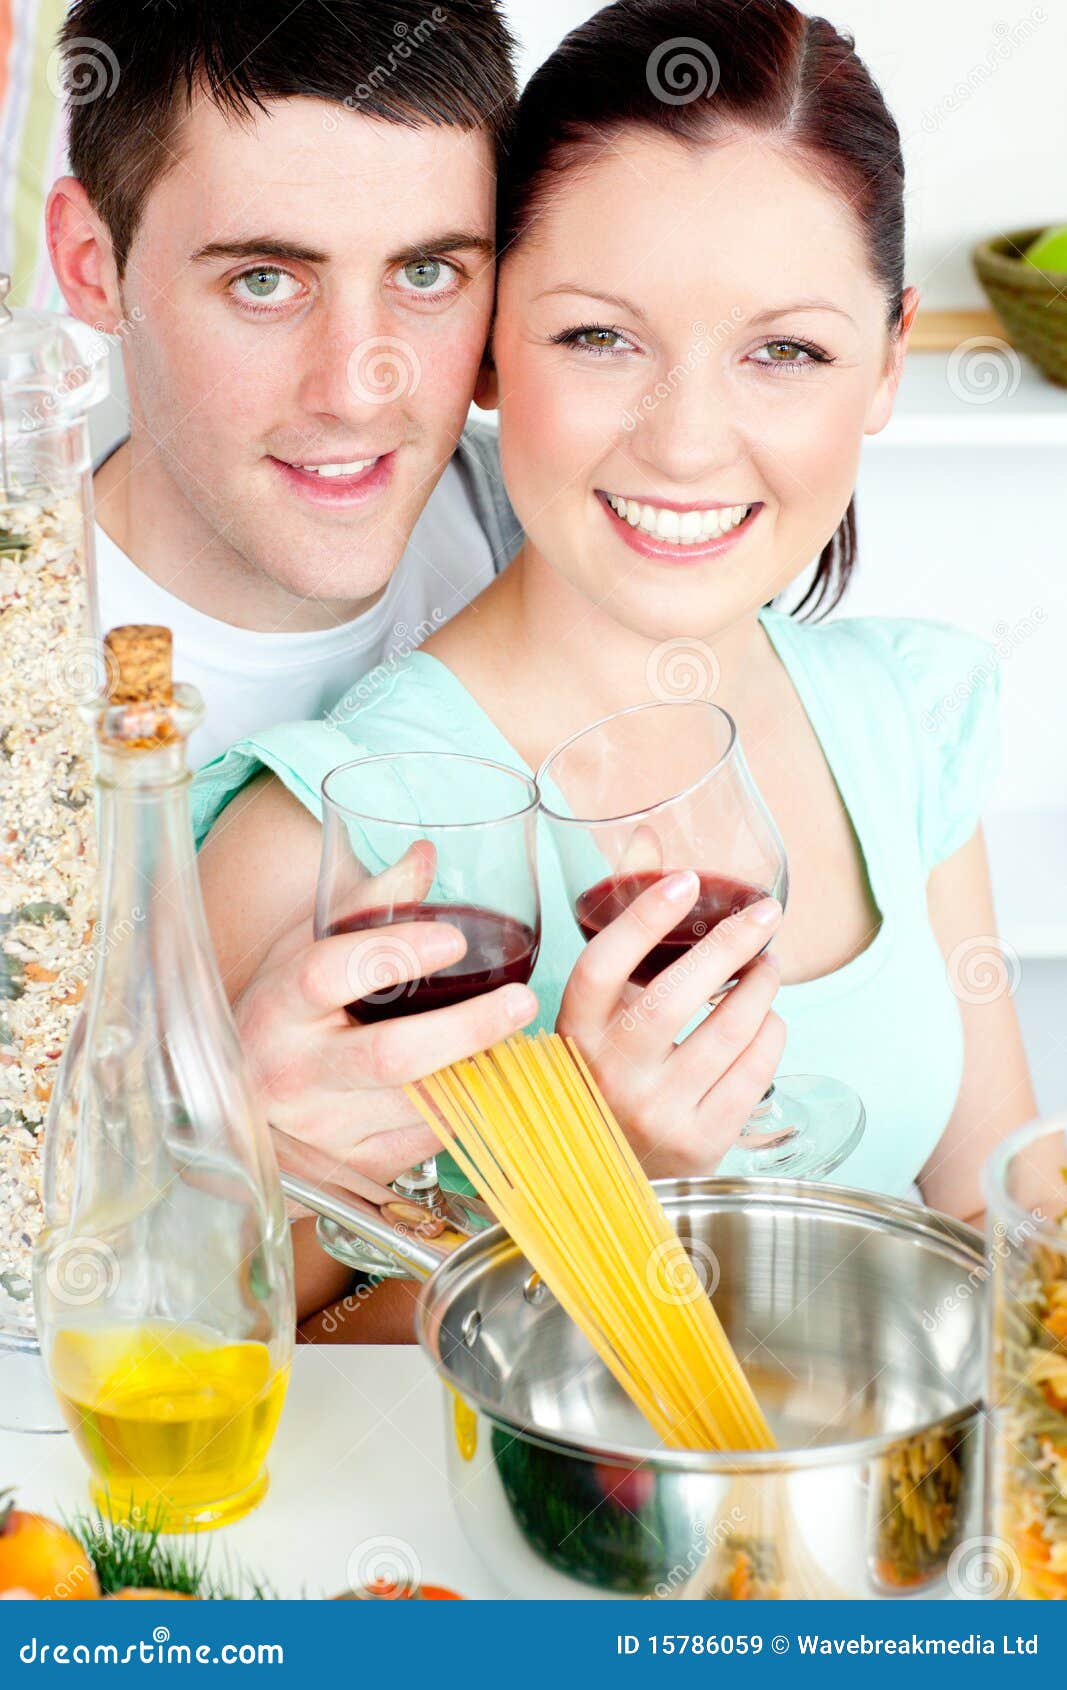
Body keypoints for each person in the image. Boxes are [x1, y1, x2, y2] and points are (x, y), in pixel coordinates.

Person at [196, 0, 1035, 1333]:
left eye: (786, 351)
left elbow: (996, 1208)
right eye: (600, 336)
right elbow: (261, 1370)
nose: (689, 442)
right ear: (483, 349)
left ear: (887, 362)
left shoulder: (902, 717)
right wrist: (597, 1186)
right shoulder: (327, 834)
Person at [46, 1, 546, 1301]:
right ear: (92, 265)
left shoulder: (543, 531)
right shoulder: (24, 682)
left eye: (429, 272)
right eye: (265, 279)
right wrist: (209, 1167)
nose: (360, 385)